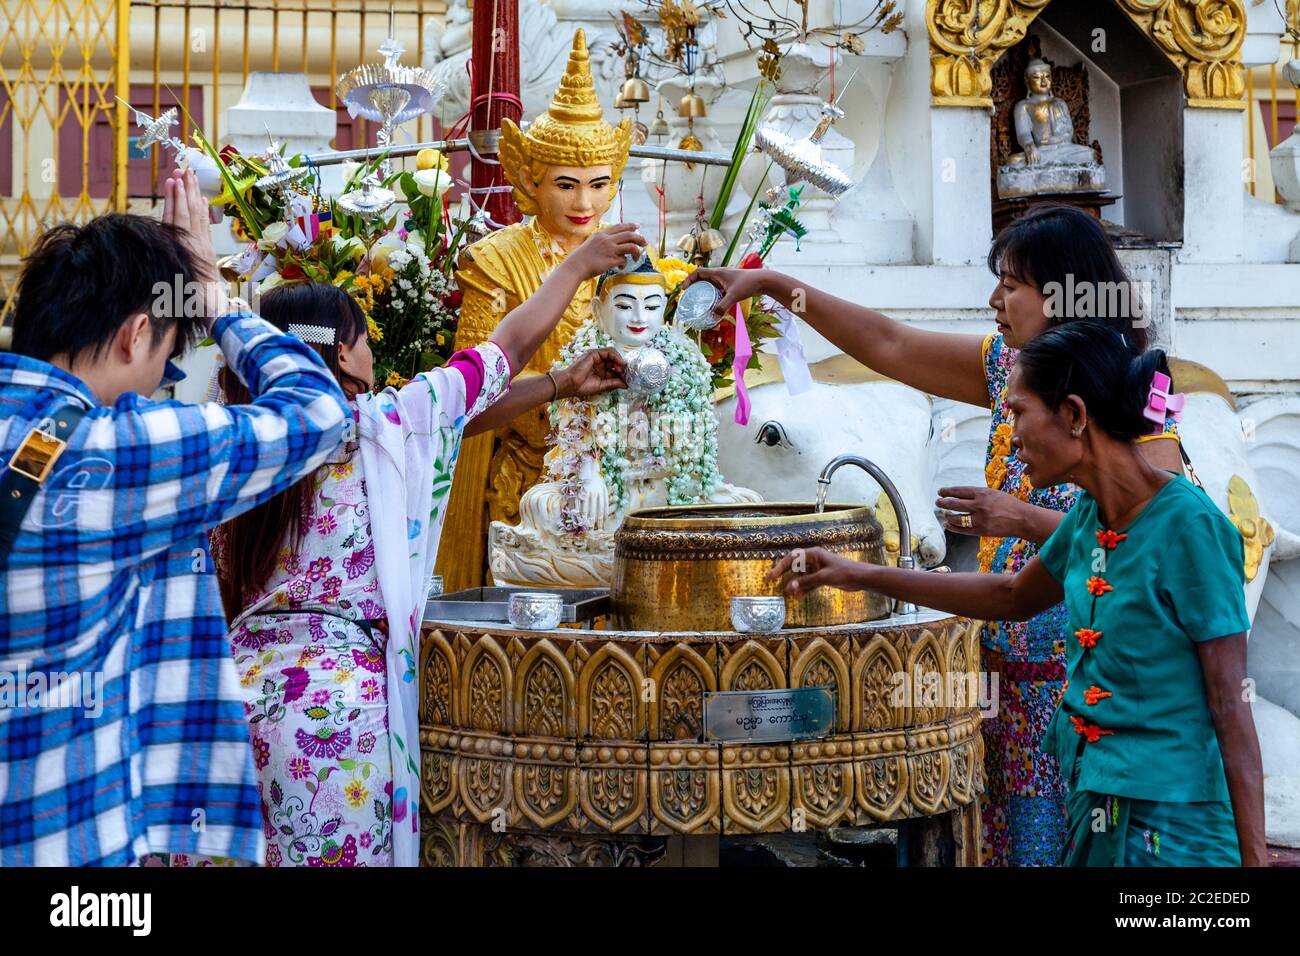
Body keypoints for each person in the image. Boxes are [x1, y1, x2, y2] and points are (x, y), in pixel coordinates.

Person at [685, 205, 1182, 866]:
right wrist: (779, 286)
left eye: (1012, 284)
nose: (994, 299)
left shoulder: (1144, 382)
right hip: (1007, 672)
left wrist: (1022, 519)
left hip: (1095, 685)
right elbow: (888, 344)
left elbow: (1153, 532)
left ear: (1064, 290)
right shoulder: (1013, 365)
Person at [205, 224, 644, 867]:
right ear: (345, 354)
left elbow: (448, 421)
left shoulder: (231, 442)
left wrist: (561, 385)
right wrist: (576, 265)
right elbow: (507, 347)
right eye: (361, 337)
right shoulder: (380, 424)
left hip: (235, 703)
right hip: (340, 715)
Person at [771, 322, 1267, 867]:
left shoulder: (1189, 527)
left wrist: (1256, 862)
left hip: (1177, 830)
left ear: (1075, 416)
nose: (1012, 434)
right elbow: (1009, 595)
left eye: (1019, 412)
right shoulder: (1087, 519)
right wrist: (854, 573)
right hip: (1099, 807)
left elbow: (1231, 706)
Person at [0, 169, 352, 866]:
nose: (164, 381)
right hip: (65, 845)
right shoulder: (117, 452)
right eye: (167, 357)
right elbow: (318, 407)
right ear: (136, 336)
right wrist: (216, 298)